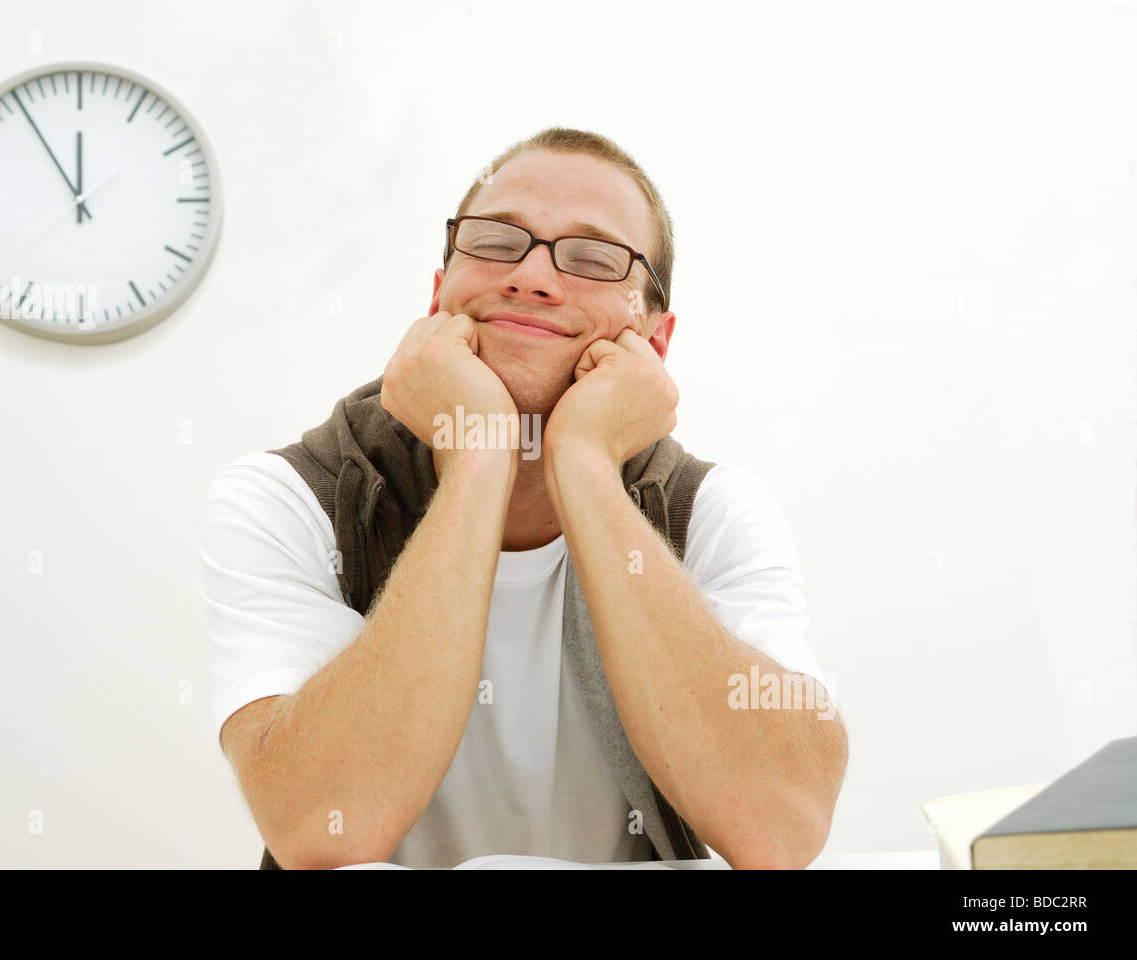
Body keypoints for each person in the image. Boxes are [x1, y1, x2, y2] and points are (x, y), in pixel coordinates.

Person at [200, 127, 848, 869]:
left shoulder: (712, 514)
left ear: (653, 341)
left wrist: (585, 467)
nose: (532, 276)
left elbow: (781, 830)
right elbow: (320, 828)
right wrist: (480, 457)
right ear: (440, 295)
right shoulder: (287, 500)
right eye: (498, 241)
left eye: (594, 257)